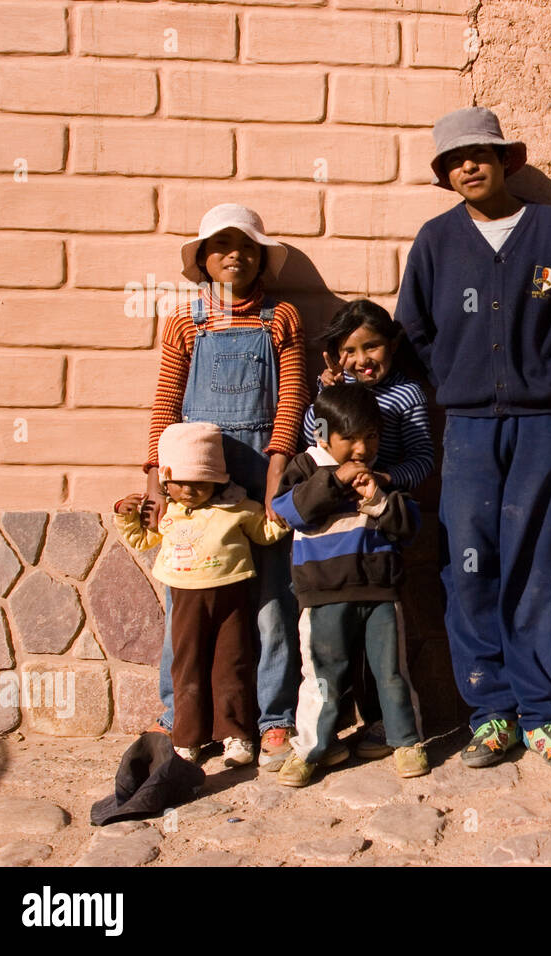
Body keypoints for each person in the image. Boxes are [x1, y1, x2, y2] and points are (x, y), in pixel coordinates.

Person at [394, 106, 551, 770]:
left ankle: (542, 716)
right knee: (470, 565)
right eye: (454, 160)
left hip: (541, 426)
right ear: (446, 175)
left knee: (536, 567)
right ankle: (491, 713)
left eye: (479, 153)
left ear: (507, 159)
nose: (468, 166)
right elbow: (413, 330)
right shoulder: (436, 241)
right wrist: (454, 382)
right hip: (470, 429)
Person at [142, 203, 307, 771]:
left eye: (246, 245)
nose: (234, 254)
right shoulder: (185, 321)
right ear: (203, 260)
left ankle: (273, 721)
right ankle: (179, 716)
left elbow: (292, 397)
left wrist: (277, 468)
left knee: (271, 599)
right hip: (193, 476)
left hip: (263, 469)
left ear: (261, 257)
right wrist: (156, 474)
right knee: (184, 598)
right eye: (221, 245)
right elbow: (167, 399)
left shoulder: (282, 316)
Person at [272, 384, 428, 786]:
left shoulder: (380, 477)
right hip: (323, 595)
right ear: (323, 435)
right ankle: (311, 749)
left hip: (379, 593)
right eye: (350, 439)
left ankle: (407, 741)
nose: (361, 449)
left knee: (391, 672)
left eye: (370, 437)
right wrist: (334, 480)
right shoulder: (305, 468)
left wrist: (378, 499)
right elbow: (287, 510)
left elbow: (409, 527)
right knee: (322, 676)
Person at [300, 299, 435, 760]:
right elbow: (310, 442)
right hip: (334, 539)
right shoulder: (332, 393)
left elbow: (423, 459)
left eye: (371, 346)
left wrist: (384, 482)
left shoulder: (408, 395)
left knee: (384, 640)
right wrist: (325, 393)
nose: (361, 360)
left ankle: (387, 728)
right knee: (335, 644)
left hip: (381, 526)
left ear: (392, 344)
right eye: (349, 350)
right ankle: (331, 732)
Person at [115, 422, 289, 765]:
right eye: (181, 482)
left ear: (218, 478)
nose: (190, 490)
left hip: (231, 603)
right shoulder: (167, 516)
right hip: (186, 605)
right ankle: (187, 738)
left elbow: (266, 532)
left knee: (232, 664)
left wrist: (286, 511)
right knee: (187, 668)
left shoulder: (238, 507)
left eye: (200, 482)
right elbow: (141, 540)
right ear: (166, 480)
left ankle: (237, 736)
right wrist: (127, 515)